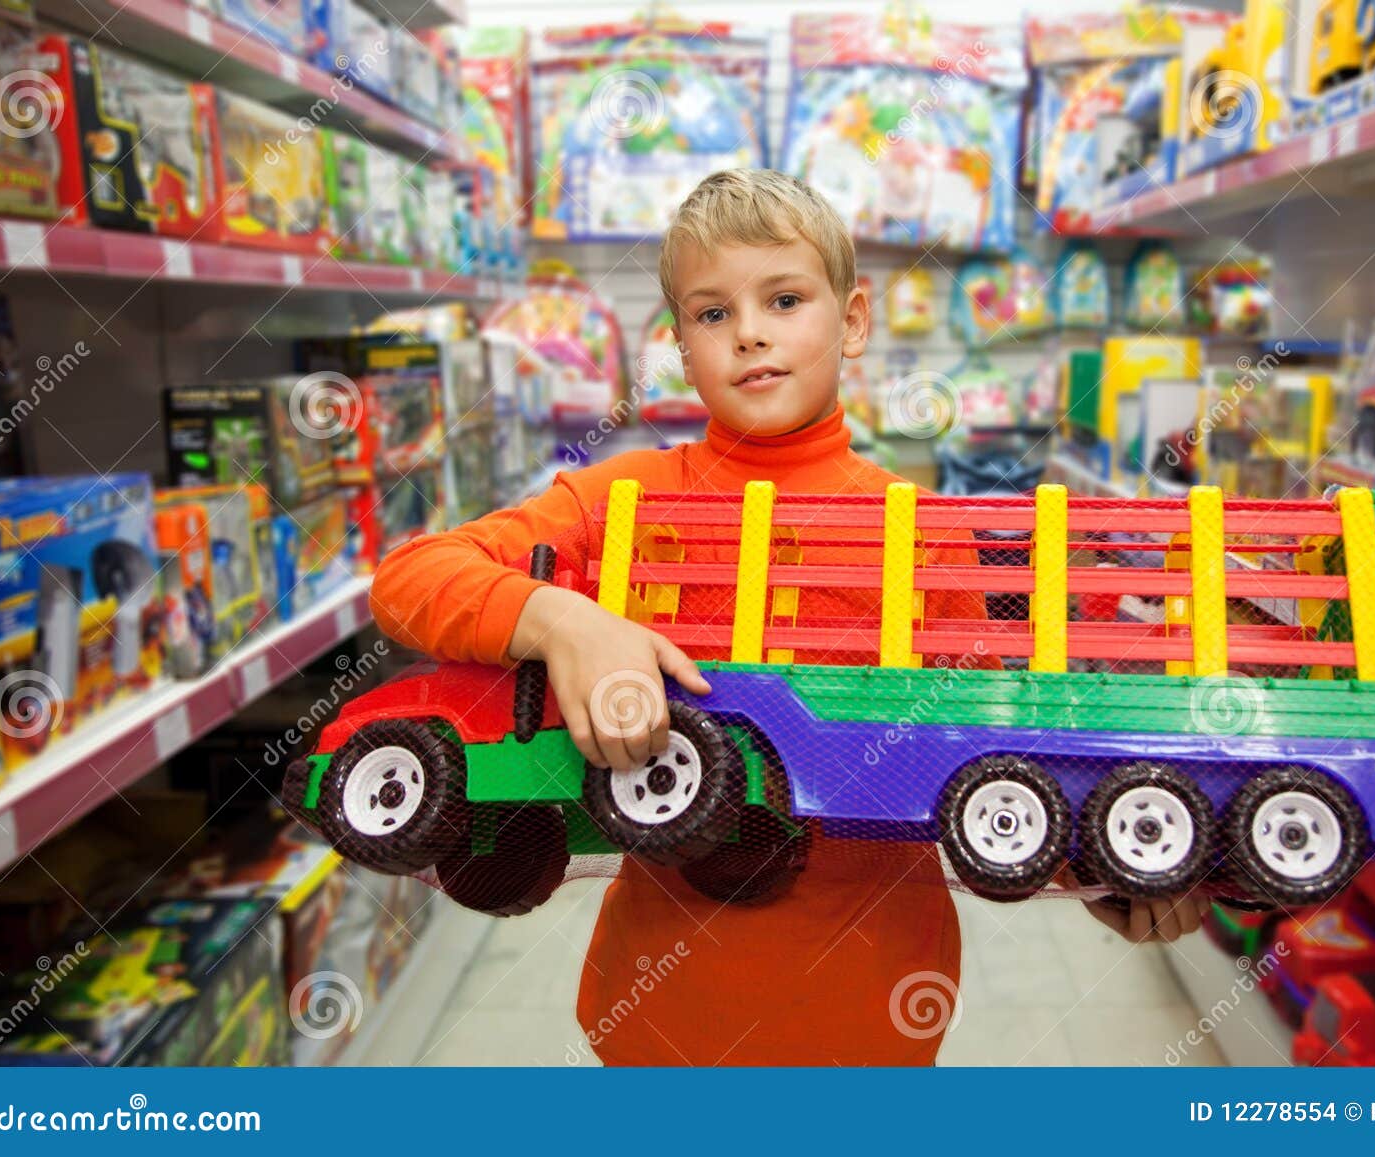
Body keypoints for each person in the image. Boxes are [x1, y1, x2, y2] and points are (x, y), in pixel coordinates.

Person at [371, 169, 1202, 1066]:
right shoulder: (624, 497)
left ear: (851, 321)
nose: (751, 332)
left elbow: (993, 758)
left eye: (784, 298)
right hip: (656, 1012)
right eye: (712, 313)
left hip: (874, 1013)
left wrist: (1110, 879)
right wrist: (563, 622)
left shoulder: (922, 535)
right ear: (682, 348)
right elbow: (412, 575)